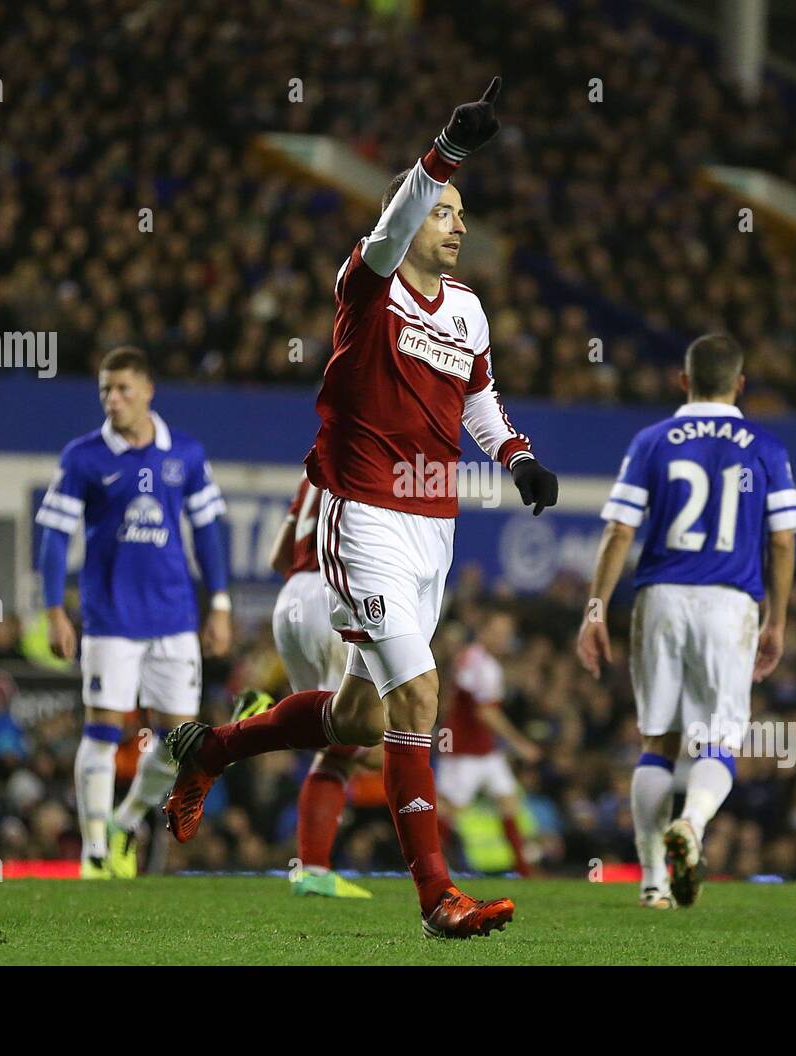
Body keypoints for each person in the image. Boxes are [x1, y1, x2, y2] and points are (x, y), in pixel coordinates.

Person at [164, 79, 559, 938]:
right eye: (445, 211)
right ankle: (436, 899)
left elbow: (480, 404)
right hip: (367, 518)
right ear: (409, 221)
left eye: (461, 214)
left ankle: (214, 750)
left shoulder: (469, 310)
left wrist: (518, 458)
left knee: (359, 718)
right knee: (419, 697)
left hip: (435, 530)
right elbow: (392, 224)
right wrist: (442, 154)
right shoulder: (368, 284)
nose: (458, 224)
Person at [577, 334, 796, 908]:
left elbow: (620, 531)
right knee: (718, 740)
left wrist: (595, 608)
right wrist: (777, 619)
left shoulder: (653, 440)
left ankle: (653, 881)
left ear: (684, 381)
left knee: (658, 739)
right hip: (730, 601)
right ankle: (693, 826)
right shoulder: (764, 446)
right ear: (741, 384)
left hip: (660, 596)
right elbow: (781, 541)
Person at [35, 345, 231, 879]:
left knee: (178, 740)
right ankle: (95, 851)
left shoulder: (185, 454)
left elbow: (209, 532)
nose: (113, 400)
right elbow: (53, 535)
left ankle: (124, 821)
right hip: (110, 619)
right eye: (105, 390)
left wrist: (219, 604)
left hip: (173, 618)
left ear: (148, 391)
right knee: (102, 729)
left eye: (123, 389)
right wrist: (54, 609)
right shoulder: (83, 456)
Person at [267, 469, 377, 899]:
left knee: (330, 738)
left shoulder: (312, 467)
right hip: (334, 595)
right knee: (346, 738)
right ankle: (258, 724)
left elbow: (278, 556)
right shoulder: (375, 452)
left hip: (291, 596)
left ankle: (313, 867)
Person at [437, 610, 541, 876]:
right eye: (498, 631)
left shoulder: (478, 660)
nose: (504, 638)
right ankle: (428, 868)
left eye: (507, 633)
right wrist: (520, 744)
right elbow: (485, 712)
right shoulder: (480, 663)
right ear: (483, 631)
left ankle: (524, 870)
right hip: (463, 750)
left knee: (508, 801)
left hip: (485, 749)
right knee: (449, 809)